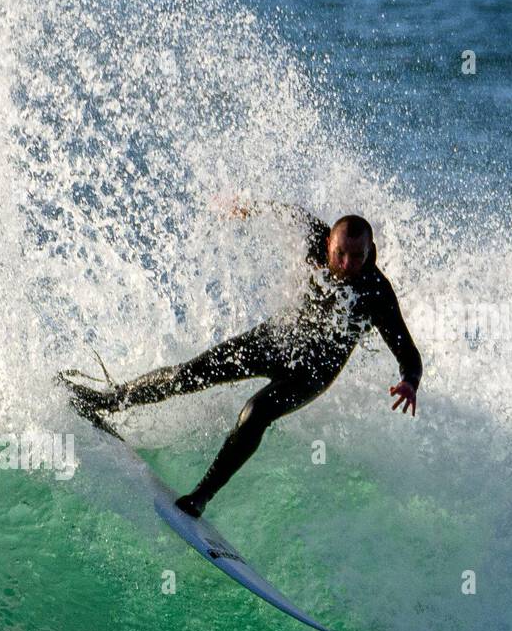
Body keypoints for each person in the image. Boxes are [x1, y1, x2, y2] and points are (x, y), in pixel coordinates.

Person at [65, 202, 422, 517]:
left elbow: (409, 353)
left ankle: (201, 497)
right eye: (341, 254)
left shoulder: (376, 292)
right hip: (277, 339)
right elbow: (291, 214)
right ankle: (108, 401)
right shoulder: (316, 239)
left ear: (370, 250)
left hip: (313, 372)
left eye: (357, 256)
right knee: (189, 374)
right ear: (328, 241)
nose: (347, 264)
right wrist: (248, 209)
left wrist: (409, 380)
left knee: (255, 413)